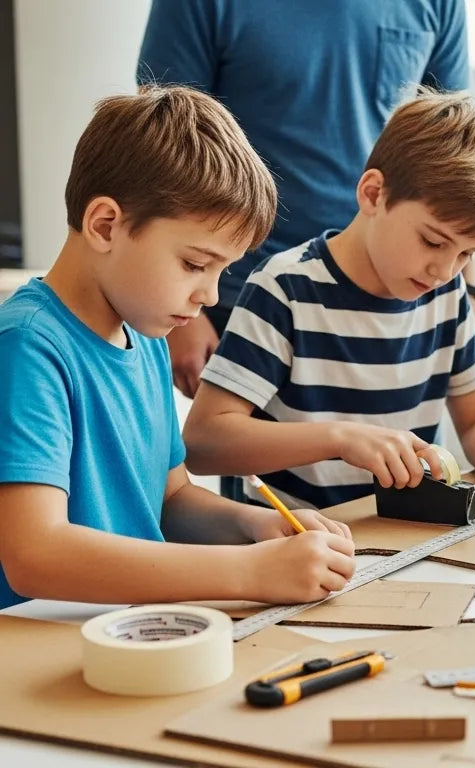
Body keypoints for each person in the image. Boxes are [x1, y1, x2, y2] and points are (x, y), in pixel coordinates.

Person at [0, 86, 355, 610]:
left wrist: (257, 527)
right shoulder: (28, 347)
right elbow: (35, 553)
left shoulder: (145, 338)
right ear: (105, 225)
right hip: (40, 651)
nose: (209, 295)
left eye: (221, 271)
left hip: (127, 632)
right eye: (194, 264)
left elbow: (169, 501)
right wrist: (250, 572)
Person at [183, 91, 475, 517]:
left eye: (467, 253)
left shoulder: (448, 296)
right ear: (373, 194)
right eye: (433, 241)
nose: (445, 269)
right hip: (300, 546)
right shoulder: (284, 290)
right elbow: (203, 443)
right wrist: (340, 438)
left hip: (406, 539)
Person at [137, 0, 475, 398]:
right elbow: (164, 143)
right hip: (239, 295)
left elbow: (456, 164)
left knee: (390, 457)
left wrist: (471, 297)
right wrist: (183, 314)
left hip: (391, 302)